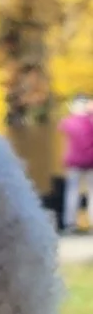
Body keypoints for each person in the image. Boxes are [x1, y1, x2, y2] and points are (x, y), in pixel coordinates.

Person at [58, 96, 93, 232]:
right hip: (91, 161)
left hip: (73, 162)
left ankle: (69, 222)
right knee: (92, 192)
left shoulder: (68, 122)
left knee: (72, 192)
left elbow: (61, 128)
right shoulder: (90, 121)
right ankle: (91, 220)